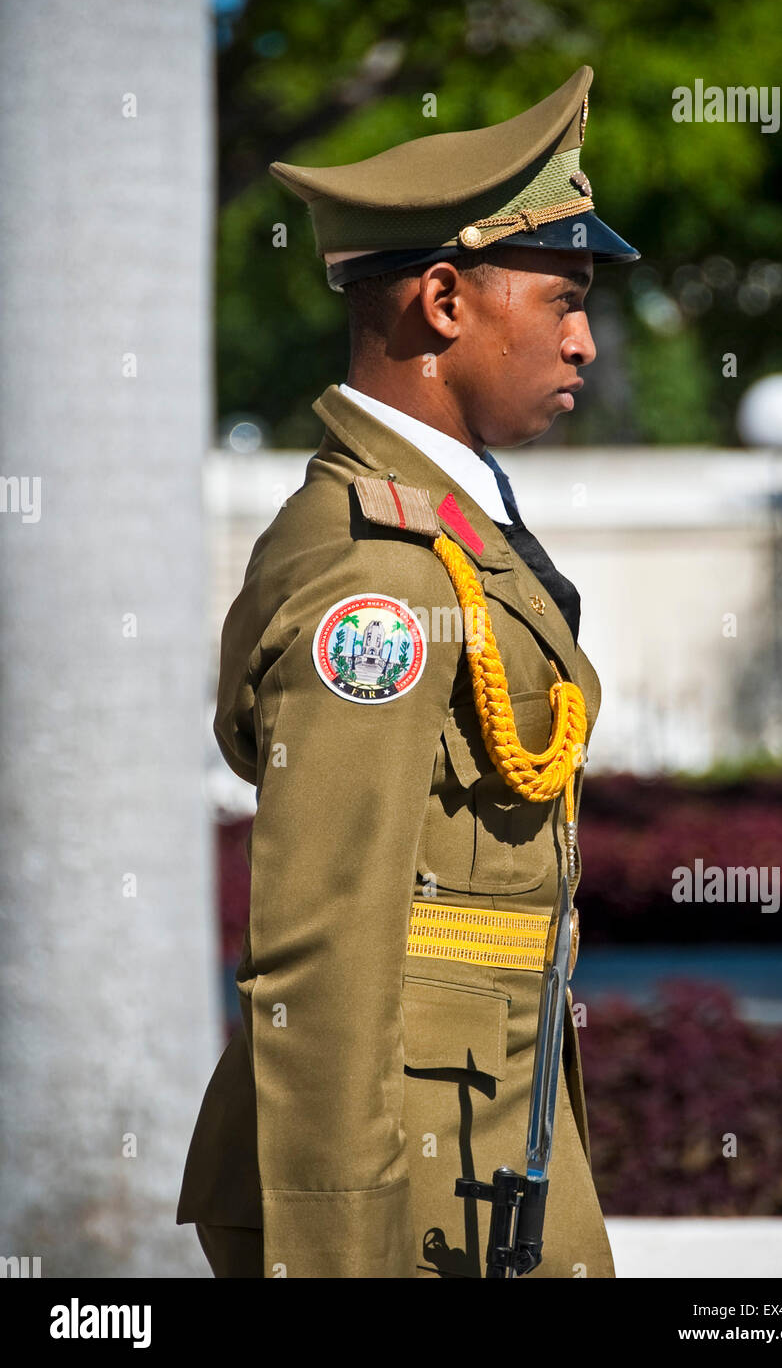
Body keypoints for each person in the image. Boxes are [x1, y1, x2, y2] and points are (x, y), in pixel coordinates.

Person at [177, 64, 639, 1278]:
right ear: (442, 300)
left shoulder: (450, 534)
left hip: (482, 1148)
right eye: (562, 299)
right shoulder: (375, 581)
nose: (583, 338)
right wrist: (337, 1256)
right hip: (409, 1198)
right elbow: (319, 943)